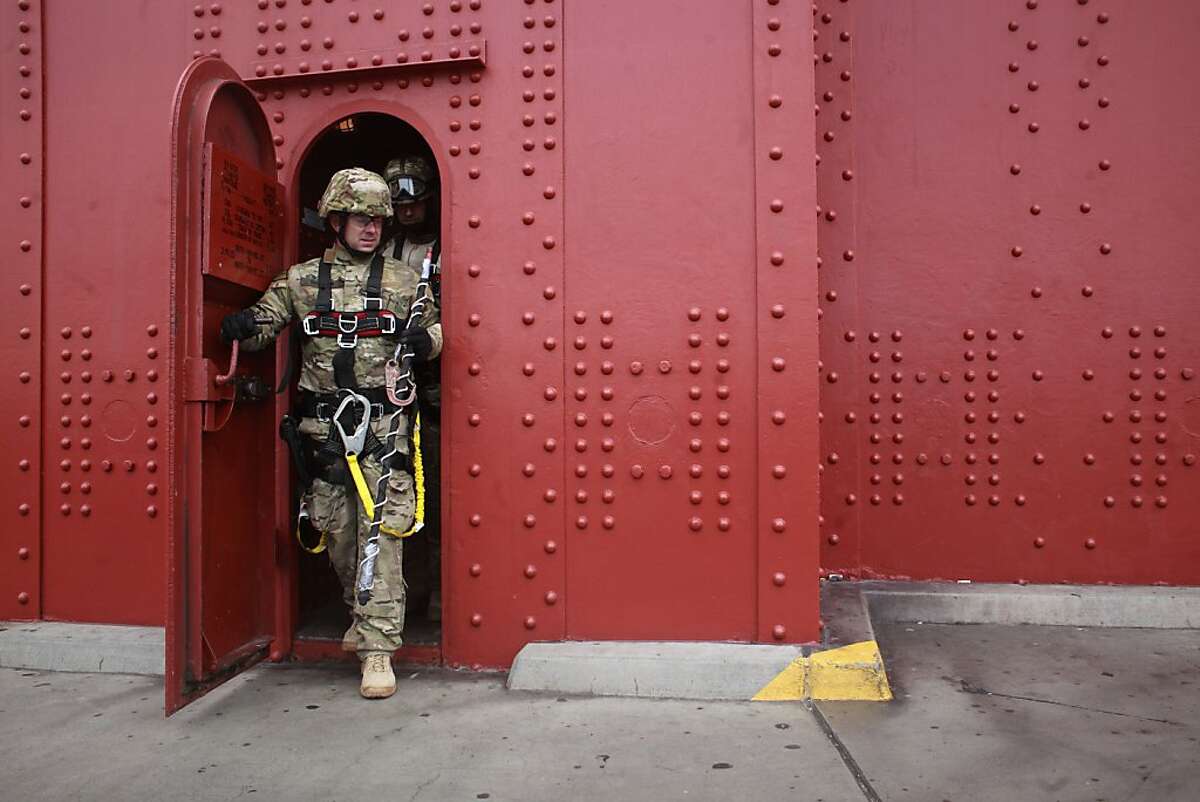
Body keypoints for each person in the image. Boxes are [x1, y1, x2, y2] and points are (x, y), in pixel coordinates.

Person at [220, 168, 441, 699]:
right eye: (362, 219)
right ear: (336, 220)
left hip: (384, 428)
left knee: (382, 536)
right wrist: (243, 328)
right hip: (325, 430)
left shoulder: (406, 282)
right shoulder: (299, 281)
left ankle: (377, 651)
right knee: (339, 535)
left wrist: (421, 341)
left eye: (379, 221)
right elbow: (264, 324)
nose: (372, 229)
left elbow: (437, 331)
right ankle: (362, 618)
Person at [382, 155, 443, 623]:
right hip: (391, 387)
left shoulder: (450, 245)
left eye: (414, 196)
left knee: (438, 496)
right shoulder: (385, 251)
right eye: (396, 198)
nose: (406, 207)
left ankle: (440, 595)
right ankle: (410, 595)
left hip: (439, 388)